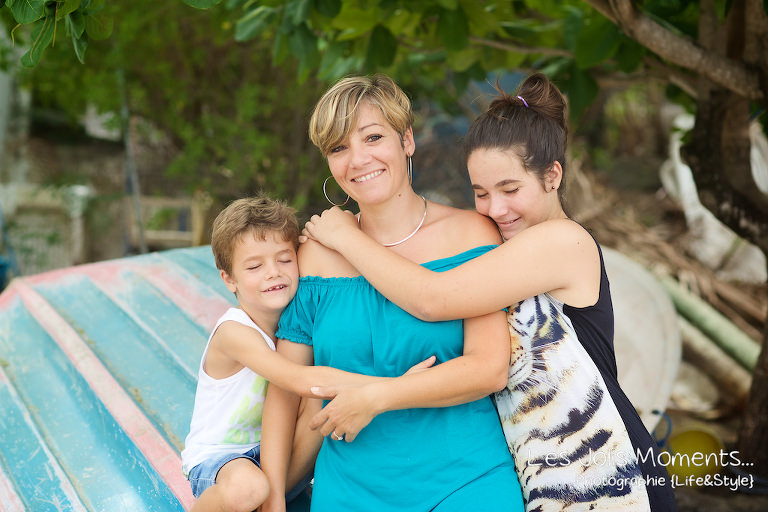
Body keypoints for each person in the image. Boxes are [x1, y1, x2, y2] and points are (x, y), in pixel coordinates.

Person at [302, 74, 677, 511]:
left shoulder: (564, 241)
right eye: (480, 193)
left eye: (510, 189)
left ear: (552, 176)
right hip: (549, 474)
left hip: (608, 469)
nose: (495, 208)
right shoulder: (505, 250)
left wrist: (347, 239)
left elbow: (431, 299)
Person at [262, 74, 525, 511]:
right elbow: (285, 392)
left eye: (373, 137)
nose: (358, 159)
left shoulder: (470, 235)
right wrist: (272, 496)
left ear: (407, 140)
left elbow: (488, 369)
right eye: (339, 148)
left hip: (465, 483)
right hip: (350, 490)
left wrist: (376, 396)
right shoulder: (312, 258)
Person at [182, 195, 421, 511]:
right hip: (221, 459)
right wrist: (394, 385)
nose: (273, 273)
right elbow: (298, 379)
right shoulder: (234, 332)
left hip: (272, 455)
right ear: (228, 279)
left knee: (320, 404)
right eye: (255, 266)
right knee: (250, 487)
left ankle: (275, 498)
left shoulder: (296, 318)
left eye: (285, 259)